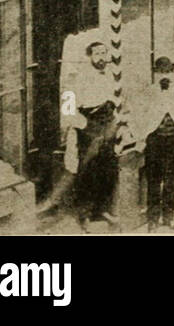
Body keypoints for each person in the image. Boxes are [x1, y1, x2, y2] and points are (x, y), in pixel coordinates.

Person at [135, 55, 174, 231]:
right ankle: (152, 220)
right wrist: (142, 136)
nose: (164, 75)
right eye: (160, 72)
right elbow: (141, 116)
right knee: (154, 180)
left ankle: (168, 217)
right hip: (156, 139)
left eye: (167, 71)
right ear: (155, 73)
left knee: (171, 180)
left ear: (172, 73)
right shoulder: (149, 91)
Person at [71, 40, 120, 230]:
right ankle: (84, 216)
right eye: (97, 54)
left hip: (107, 122)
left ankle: (102, 209)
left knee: (108, 168)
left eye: (104, 53)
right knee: (87, 171)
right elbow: (69, 109)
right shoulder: (78, 77)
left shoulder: (108, 74)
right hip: (89, 125)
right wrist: (86, 128)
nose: (101, 58)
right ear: (89, 56)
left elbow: (112, 101)